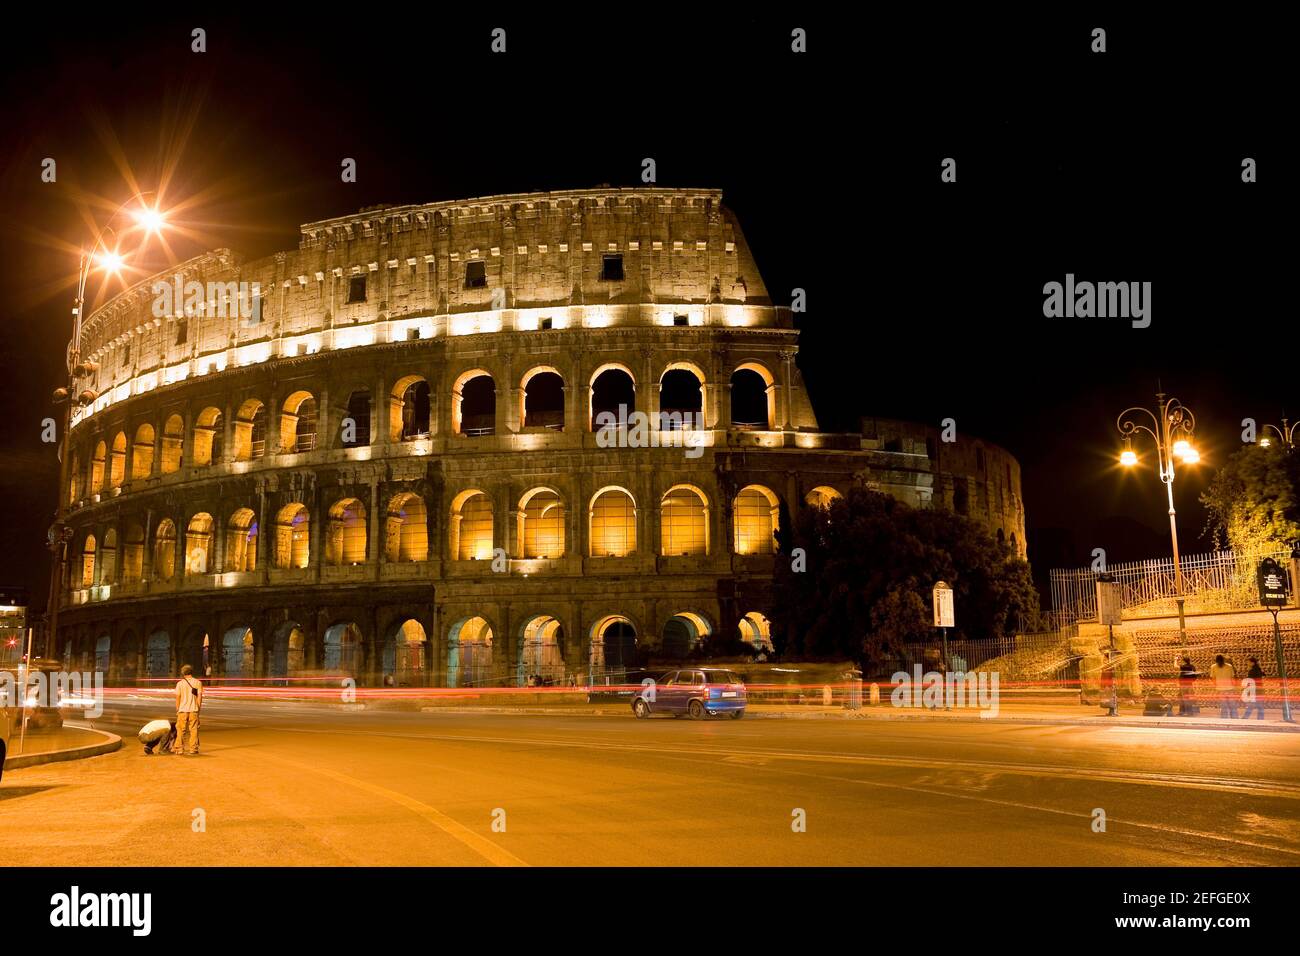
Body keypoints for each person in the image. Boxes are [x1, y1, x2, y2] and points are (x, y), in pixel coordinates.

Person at [174, 664, 203, 755]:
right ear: (191, 672)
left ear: (183, 673)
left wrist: (178, 708)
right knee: (194, 730)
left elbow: (178, 697)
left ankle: (179, 749)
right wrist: (198, 708)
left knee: (181, 730)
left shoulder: (180, 684)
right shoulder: (198, 682)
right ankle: (193, 749)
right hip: (194, 709)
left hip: (182, 710)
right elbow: (199, 697)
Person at [1208, 654, 1238, 719]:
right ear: (1224, 659)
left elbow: (1212, 678)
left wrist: (1216, 685)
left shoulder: (1213, 667)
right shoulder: (1229, 666)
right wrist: (1234, 686)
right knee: (1232, 705)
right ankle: (1234, 719)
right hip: (1230, 688)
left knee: (1223, 706)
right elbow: (1232, 677)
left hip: (1220, 689)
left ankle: (1224, 719)